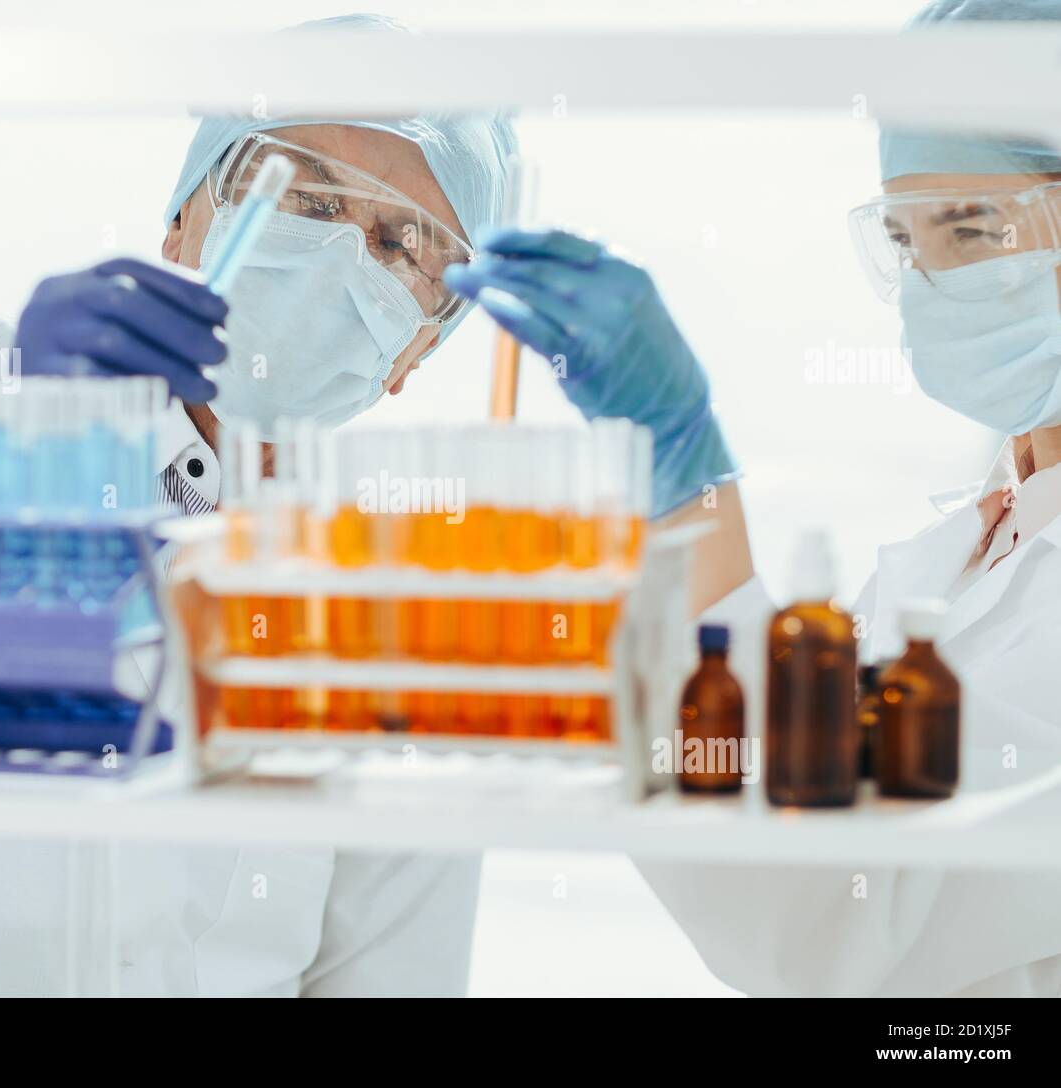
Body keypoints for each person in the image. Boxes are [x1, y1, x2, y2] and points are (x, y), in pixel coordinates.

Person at [0, 14, 523, 997]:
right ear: (182, 220)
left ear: (417, 351)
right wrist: (4, 442)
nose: (341, 255)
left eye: (398, 245)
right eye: (302, 191)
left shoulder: (397, 635)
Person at [453, 0, 1061, 997]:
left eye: (969, 227)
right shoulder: (963, 549)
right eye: (905, 241)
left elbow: (835, 909)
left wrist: (691, 488)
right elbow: (776, 816)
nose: (929, 282)